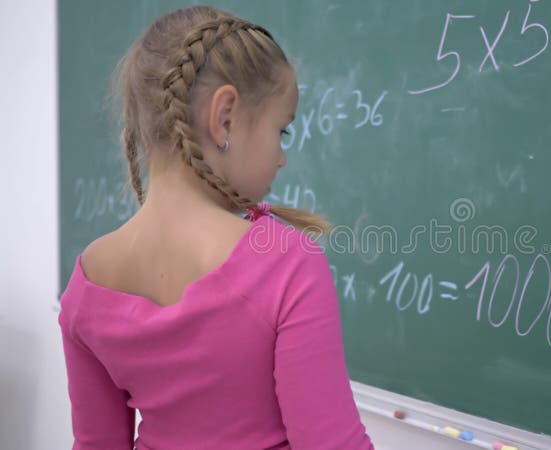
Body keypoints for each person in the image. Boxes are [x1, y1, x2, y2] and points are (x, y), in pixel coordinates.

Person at [57, 5, 374, 449]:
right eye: (281, 131)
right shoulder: (286, 263)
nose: (282, 157)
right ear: (225, 117)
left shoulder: (86, 284)